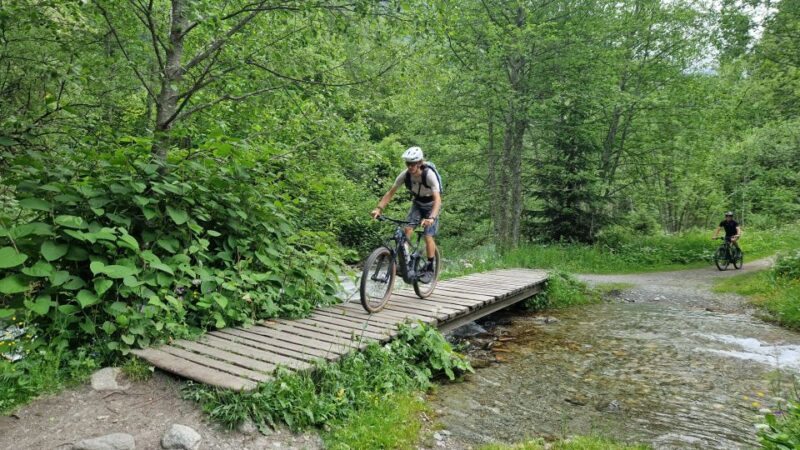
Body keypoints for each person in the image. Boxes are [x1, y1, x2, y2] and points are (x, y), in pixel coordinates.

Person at [371, 146, 441, 282]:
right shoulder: (405, 175)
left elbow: (438, 199)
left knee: (428, 236)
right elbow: (390, 192)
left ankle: (430, 267)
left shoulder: (429, 175)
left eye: (413, 163)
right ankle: (406, 263)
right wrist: (379, 209)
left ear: (419, 163)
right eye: (407, 163)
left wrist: (431, 217)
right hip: (417, 203)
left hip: (432, 205)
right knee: (407, 229)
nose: (410, 166)